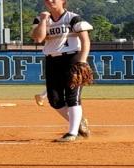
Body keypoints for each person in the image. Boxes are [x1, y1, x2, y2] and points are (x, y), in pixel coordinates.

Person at [31, 0, 94, 142]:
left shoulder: (72, 18)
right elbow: (39, 38)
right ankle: (79, 123)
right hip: (52, 60)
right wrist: (43, 20)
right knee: (55, 100)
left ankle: (72, 133)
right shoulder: (40, 19)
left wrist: (82, 61)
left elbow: (85, 40)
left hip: (73, 58)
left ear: (63, 1)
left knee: (72, 97)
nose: (51, 1)